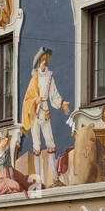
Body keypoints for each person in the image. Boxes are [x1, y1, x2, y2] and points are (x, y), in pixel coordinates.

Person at [20, 47, 71, 187]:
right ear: (38, 63)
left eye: (45, 60)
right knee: (36, 145)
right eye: (42, 60)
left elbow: (53, 93)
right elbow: (26, 100)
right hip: (35, 114)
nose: (44, 62)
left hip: (45, 112)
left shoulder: (49, 77)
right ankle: (38, 181)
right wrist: (34, 101)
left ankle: (55, 178)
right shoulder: (33, 80)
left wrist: (62, 103)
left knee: (50, 142)